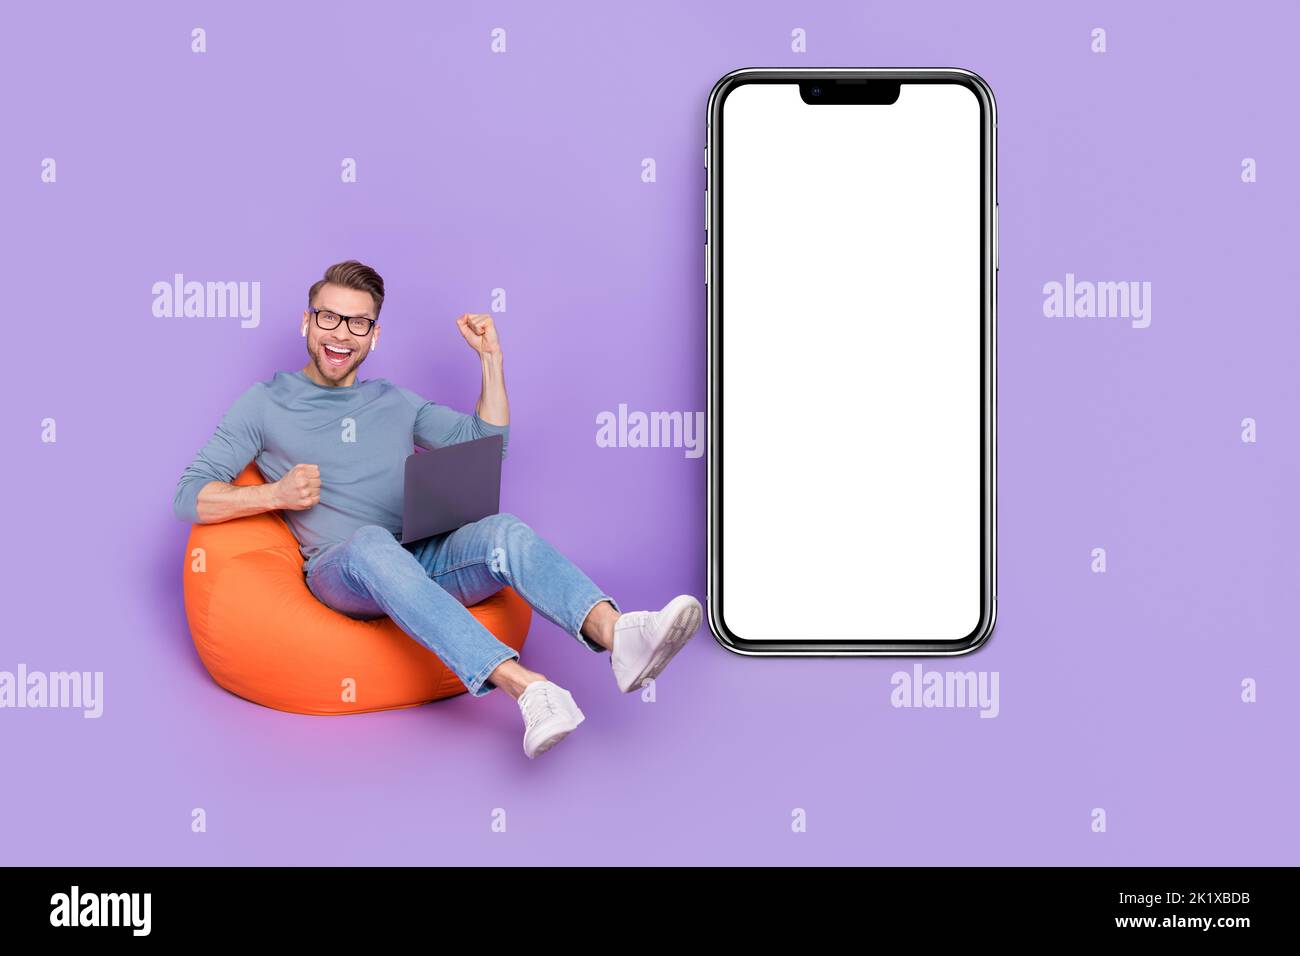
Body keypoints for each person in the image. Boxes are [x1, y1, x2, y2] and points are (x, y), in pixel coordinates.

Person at [173, 260, 702, 757]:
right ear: (306, 323)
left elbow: (486, 442)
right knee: (373, 543)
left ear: (374, 336)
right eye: (329, 318)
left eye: (358, 324)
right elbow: (188, 495)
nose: (341, 334)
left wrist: (491, 360)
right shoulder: (263, 404)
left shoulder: (396, 401)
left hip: (419, 558)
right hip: (343, 570)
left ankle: (619, 635)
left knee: (503, 530)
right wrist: (275, 495)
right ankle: (526, 688)